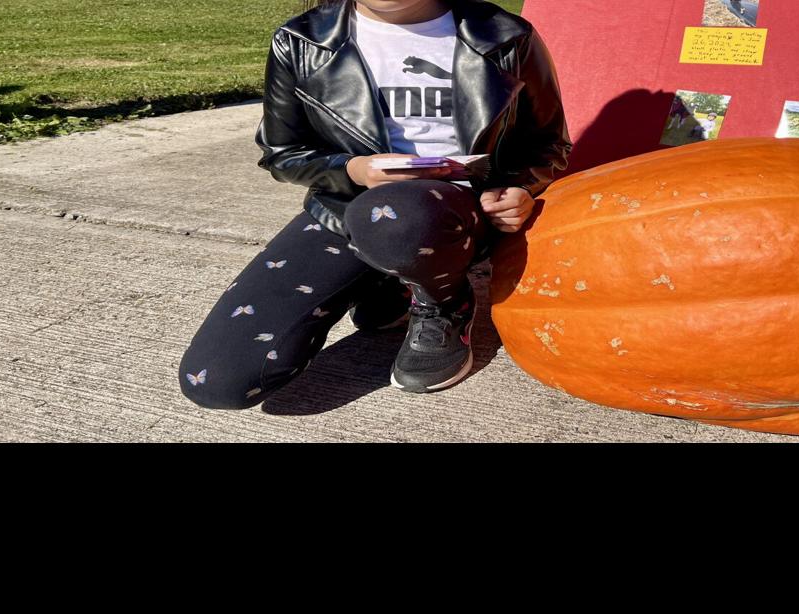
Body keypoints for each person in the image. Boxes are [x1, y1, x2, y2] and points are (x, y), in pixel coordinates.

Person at [177, 0, 570, 408]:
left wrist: (519, 186)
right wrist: (354, 169)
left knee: (398, 215)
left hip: (457, 212)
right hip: (344, 210)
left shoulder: (504, 36)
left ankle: (443, 301)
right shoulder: (301, 40)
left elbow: (549, 144)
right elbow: (281, 152)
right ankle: (391, 278)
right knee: (216, 380)